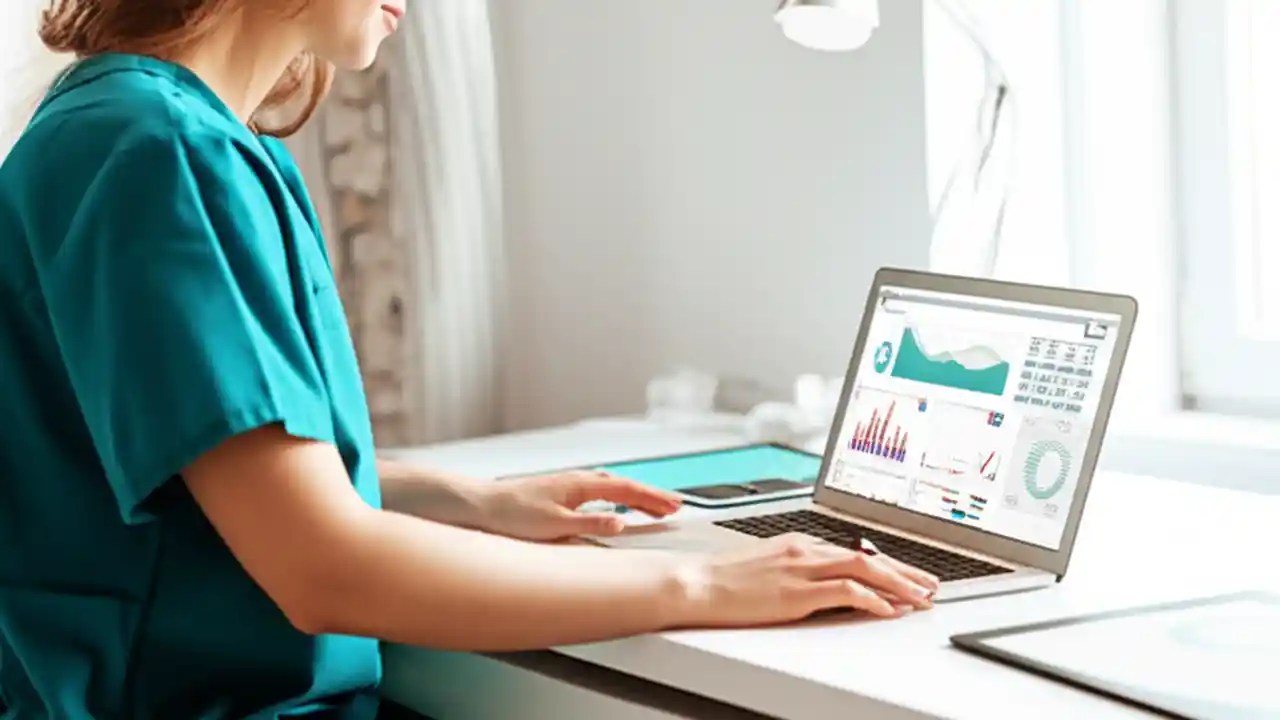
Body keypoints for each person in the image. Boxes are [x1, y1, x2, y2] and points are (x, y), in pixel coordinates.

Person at [0, 1, 939, 718]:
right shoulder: (156, 152)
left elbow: (212, 470)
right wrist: (705, 583)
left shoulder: (146, 131)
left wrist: (472, 500)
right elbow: (323, 567)